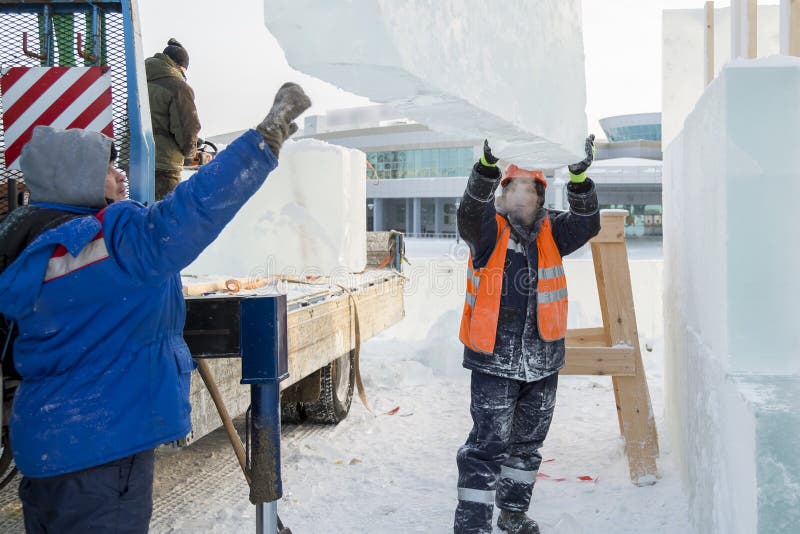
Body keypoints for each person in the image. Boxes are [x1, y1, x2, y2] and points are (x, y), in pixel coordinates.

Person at [0, 82, 311, 533]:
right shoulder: (112, 241)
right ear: (78, 178)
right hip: (101, 454)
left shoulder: (31, 243)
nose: (121, 176)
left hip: (47, 443)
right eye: (109, 168)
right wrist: (262, 142)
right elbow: (189, 211)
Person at [454, 136, 600, 534]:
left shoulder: (553, 230)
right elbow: (469, 212)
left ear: (540, 196)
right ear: (501, 194)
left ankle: (513, 513)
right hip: (494, 361)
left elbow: (588, 222)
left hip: (543, 362)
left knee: (527, 446)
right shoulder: (487, 232)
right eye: (513, 188)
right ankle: (473, 526)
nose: (522, 197)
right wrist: (486, 166)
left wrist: (580, 176)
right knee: (486, 447)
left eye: (531, 190)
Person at [145, 38, 201, 200]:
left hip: (135, 161)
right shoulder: (178, 87)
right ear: (179, 65)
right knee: (165, 216)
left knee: (141, 209)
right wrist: (191, 154)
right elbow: (187, 128)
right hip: (163, 167)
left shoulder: (140, 80)